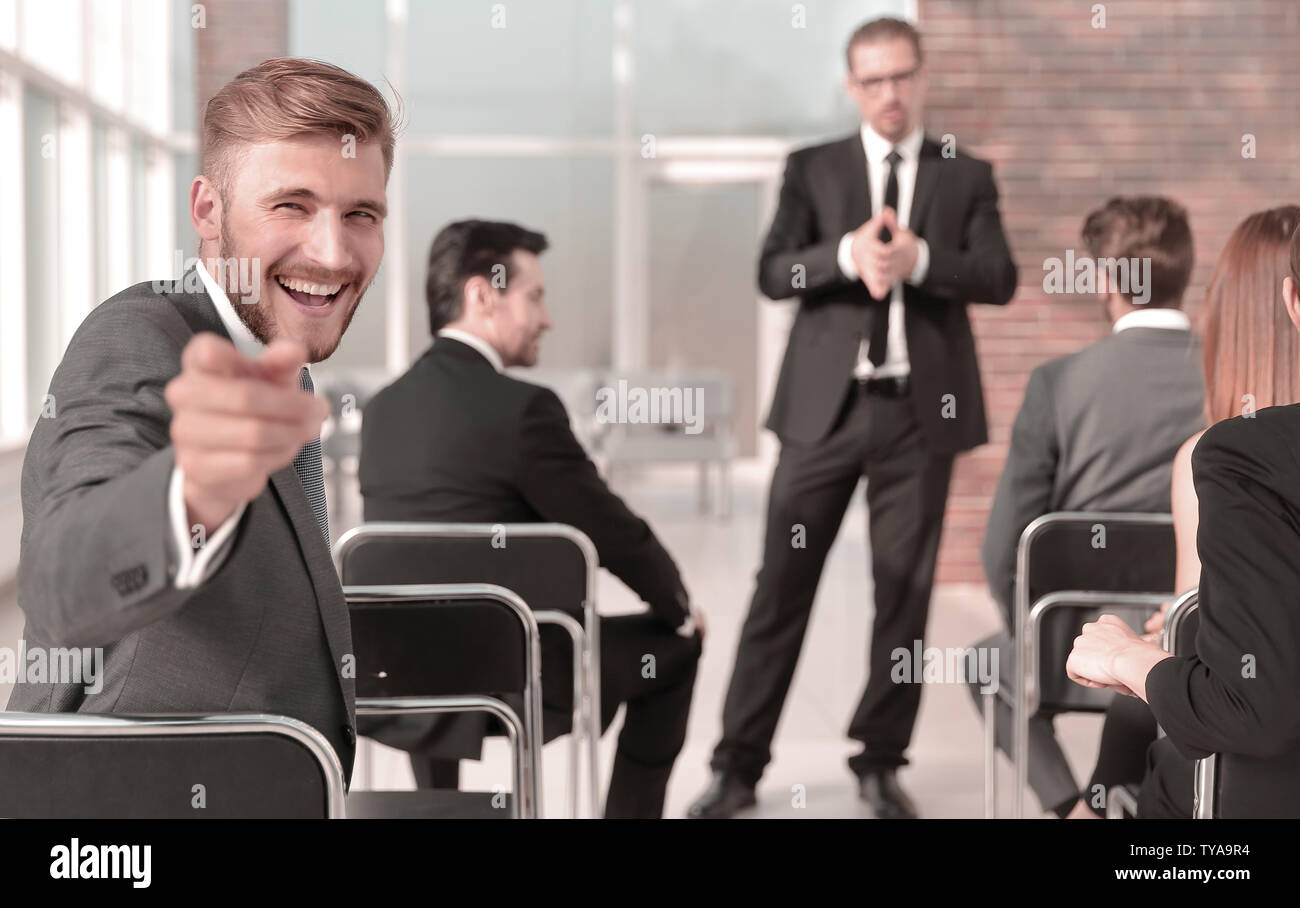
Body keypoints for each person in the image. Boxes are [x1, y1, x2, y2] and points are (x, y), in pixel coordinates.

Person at [7, 58, 399, 785]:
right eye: (291, 205)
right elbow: (61, 579)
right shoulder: (137, 337)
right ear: (208, 212)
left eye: (360, 215)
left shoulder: (276, 371)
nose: (334, 252)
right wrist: (186, 496)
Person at [688, 16, 1017, 820]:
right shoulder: (812, 167)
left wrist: (921, 262)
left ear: (921, 74)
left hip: (918, 419)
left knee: (901, 595)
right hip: (822, 416)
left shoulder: (963, 173)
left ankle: (878, 762)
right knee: (780, 588)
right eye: (872, 81)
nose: (889, 94)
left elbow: (1000, 276)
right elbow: (772, 270)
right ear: (851, 86)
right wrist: (843, 256)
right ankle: (737, 767)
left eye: (901, 76)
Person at [357, 219, 704, 819]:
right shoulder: (525, 411)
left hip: (392, 679)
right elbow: (612, 531)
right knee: (676, 651)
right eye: (536, 296)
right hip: (515, 677)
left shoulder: (382, 411)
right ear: (482, 295)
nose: (547, 318)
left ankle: (440, 805)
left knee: (431, 625)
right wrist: (676, 604)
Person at [969, 196, 1203, 818]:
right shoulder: (1232, 376)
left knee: (985, 662)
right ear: (1186, 270)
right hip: (1194, 644)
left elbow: (1002, 551)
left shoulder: (1059, 383)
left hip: (1074, 640)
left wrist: (1033, 630)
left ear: (1103, 279)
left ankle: (1071, 806)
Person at [1068, 205, 1300, 818]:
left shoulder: (1227, 458)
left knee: (1132, 731)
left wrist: (1131, 653)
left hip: (1243, 784)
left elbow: (1220, 661)